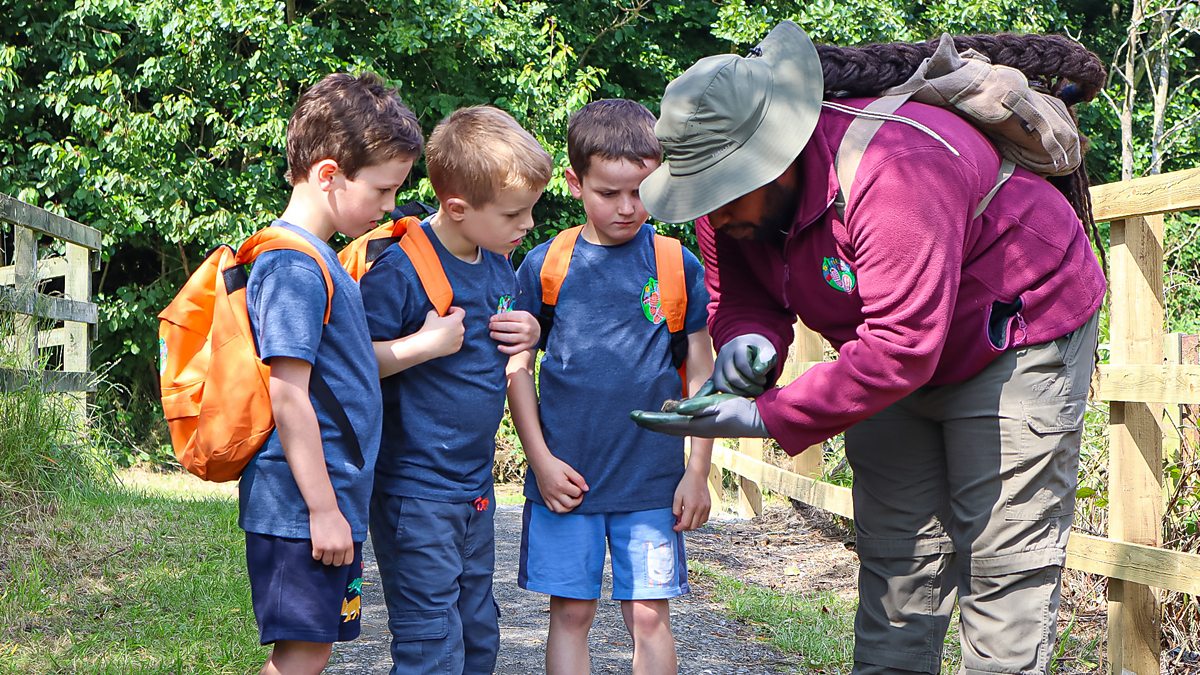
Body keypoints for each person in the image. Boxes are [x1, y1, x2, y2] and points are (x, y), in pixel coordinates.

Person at [632, 21, 1107, 675]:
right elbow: (743, 300)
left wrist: (766, 415)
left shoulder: (891, 169)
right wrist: (747, 347)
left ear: (778, 158)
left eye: (721, 194)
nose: (711, 217)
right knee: (897, 564)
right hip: (883, 346)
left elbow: (902, 347)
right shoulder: (731, 208)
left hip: (1016, 331)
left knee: (1001, 567)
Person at [505, 99, 716, 675]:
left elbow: (701, 370)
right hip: (565, 481)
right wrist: (539, 459)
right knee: (571, 613)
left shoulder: (677, 263)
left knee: (649, 616)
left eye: (642, 192)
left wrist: (697, 470)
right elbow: (517, 368)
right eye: (609, 193)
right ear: (574, 183)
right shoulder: (546, 265)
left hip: (651, 483)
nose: (628, 208)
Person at [239, 72, 422, 675]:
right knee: (301, 654)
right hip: (299, 504)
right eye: (382, 190)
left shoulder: (322, 259)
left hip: (322, 499)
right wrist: (322, 509)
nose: (390, 206)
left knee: (310, 649)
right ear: (327, 174)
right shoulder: (292, 265)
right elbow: (289, 396)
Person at [359, 105, 550, 674]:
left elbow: (509, 348)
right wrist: (423, 344)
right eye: (515, 213)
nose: (529, 225)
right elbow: (346, 365)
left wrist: (529, 330)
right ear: (459, 209)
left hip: (471, 485)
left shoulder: (498, 266)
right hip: (415, 492)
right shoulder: (401, 270)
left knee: (478, 634)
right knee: (430, 644)